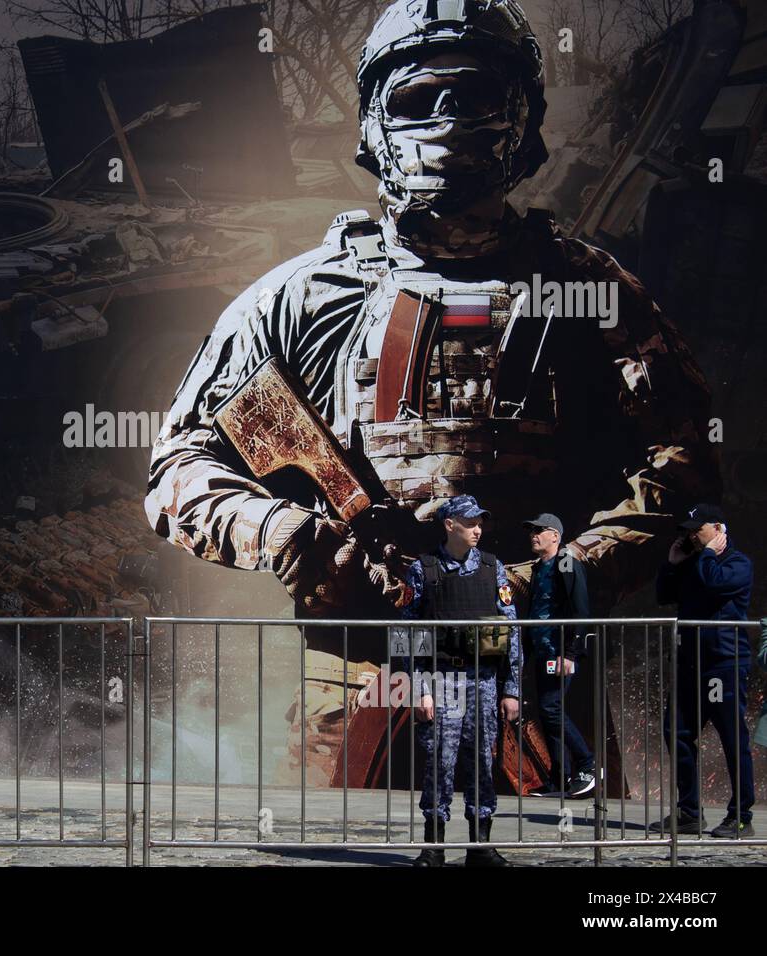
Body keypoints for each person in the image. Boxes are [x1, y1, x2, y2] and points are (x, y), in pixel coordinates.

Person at [143, 0, 718, 789]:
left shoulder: (592, 293)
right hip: (353, 686)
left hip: (535, 683)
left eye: (474, 95)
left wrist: (554, 580)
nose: (447, 120)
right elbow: (179, 466)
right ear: (376, 122)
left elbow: (684, 465)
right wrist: (285, 534)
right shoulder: (298, 300)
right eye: (419, 97)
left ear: (522, 117)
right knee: (348, 842)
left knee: (553, 843)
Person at [395, 495, 521, 867]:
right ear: (450, 525)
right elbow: (406, 634)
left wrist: (512, 688)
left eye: (480, 522)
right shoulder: (424, 570)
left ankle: (481, 847)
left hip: (484, 679)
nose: (477, 529)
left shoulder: (493, 568)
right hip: (442, 679)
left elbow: (512, 630)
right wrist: (419, 689)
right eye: (470, 523)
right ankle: (434, 848)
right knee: (439, 762)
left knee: (482, 762)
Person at [652, 503, 755, 838]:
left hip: (723, 664)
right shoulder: (694, 563)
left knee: (732, 739)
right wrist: (672, 565)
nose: (692, 537)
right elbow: (664, 595)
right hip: (690, 664)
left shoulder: (737, 563)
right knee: (676, 731)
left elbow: (714, 584)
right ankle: (689, 812)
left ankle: (741, 816)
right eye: (689, 531)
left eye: (698, 530)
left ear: (718, 529)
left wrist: (708, 553)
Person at [523, 513, 595, 798]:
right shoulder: (538, 568)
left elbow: (580, 609)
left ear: (555, 535)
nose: (534, 535)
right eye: (532, 531)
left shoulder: (566, 562)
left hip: (559, 652)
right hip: (542, 651)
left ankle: (587, 765)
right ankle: (558, 780)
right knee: (547, 712)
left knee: (552, 709)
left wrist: (570, 653)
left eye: (540, 530)